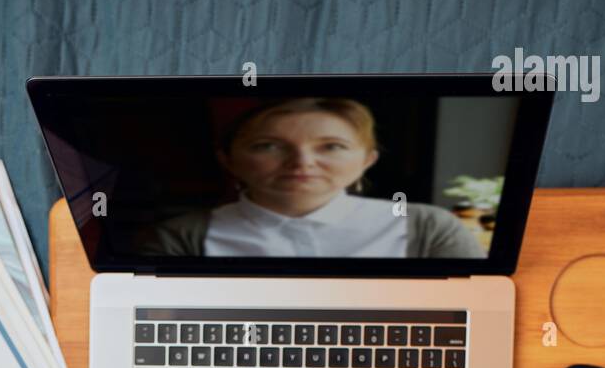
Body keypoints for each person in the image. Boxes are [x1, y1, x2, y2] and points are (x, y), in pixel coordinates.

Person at [140, 97, 485, 259]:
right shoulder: (180, 238)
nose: (301, 162)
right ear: (227, 159)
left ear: (368, 160)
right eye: (268, 146)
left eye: (332, 146)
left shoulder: (429, 227)